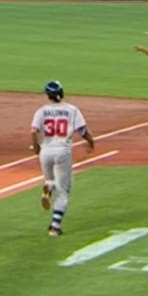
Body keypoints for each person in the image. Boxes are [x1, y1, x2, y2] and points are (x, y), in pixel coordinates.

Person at [31, 80, 95, 237]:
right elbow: (82, 130)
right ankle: (54, 226)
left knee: (50, 180)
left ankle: (48, 187)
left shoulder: (42, 111)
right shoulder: (72, 110)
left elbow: (33, 131)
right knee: (64, 192)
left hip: (45, 152)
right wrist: (91, 142)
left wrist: (36, 146)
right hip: (62, 152)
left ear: (48, 96)